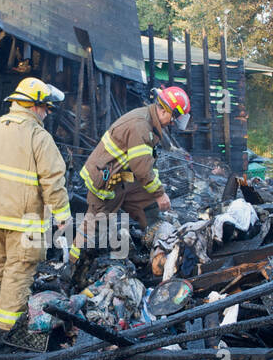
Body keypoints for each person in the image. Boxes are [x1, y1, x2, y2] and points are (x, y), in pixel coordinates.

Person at [0, 77, 71, 344]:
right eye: (46, 107)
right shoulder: (38, 136)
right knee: (17, 271)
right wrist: (62, 216)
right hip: (22, 221)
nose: (47, 113)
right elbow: (53, 180)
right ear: (34, 106)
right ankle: (7, 334)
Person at [70, 86, 190, 265]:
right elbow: (141, 168)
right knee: (94, 223)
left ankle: (156, 239)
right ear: (165, 109)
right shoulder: (140, 125)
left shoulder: (149, 122)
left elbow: (145, 166)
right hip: (103, 180)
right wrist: (160, 193)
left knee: (146, 200)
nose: (172, 122)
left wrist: (154, 192)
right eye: (173, 117)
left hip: (119, 177)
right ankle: (72, 264)